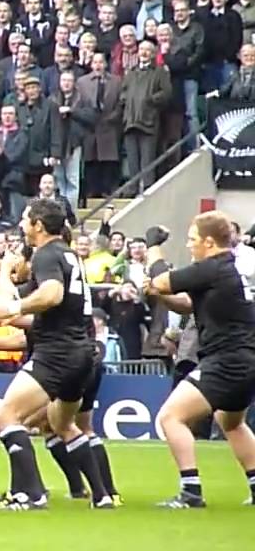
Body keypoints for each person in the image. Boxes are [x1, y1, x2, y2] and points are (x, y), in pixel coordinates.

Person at [0, 198, 114, 510]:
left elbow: (51, 295)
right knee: (63, 425)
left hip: (57, 353)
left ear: (38, 225)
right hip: (81, 352)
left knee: (3, 415)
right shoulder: (69, 256)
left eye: (26, 220)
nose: (23, 226)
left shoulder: (46, 254)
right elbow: (49, 313)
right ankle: (101, 495)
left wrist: (11, 306)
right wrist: (6, 317)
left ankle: (32, 493)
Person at [144, 211, 255, 509]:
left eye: (192, 240)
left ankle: (190, 491)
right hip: (244, 359)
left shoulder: (212, 267)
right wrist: (158, 294)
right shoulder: (226, 269)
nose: (189, 245)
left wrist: (153, 246)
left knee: (170, 417)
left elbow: (161, 279)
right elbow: (186, 305)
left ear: (208, 242)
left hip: (225, 360)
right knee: (230, 422)